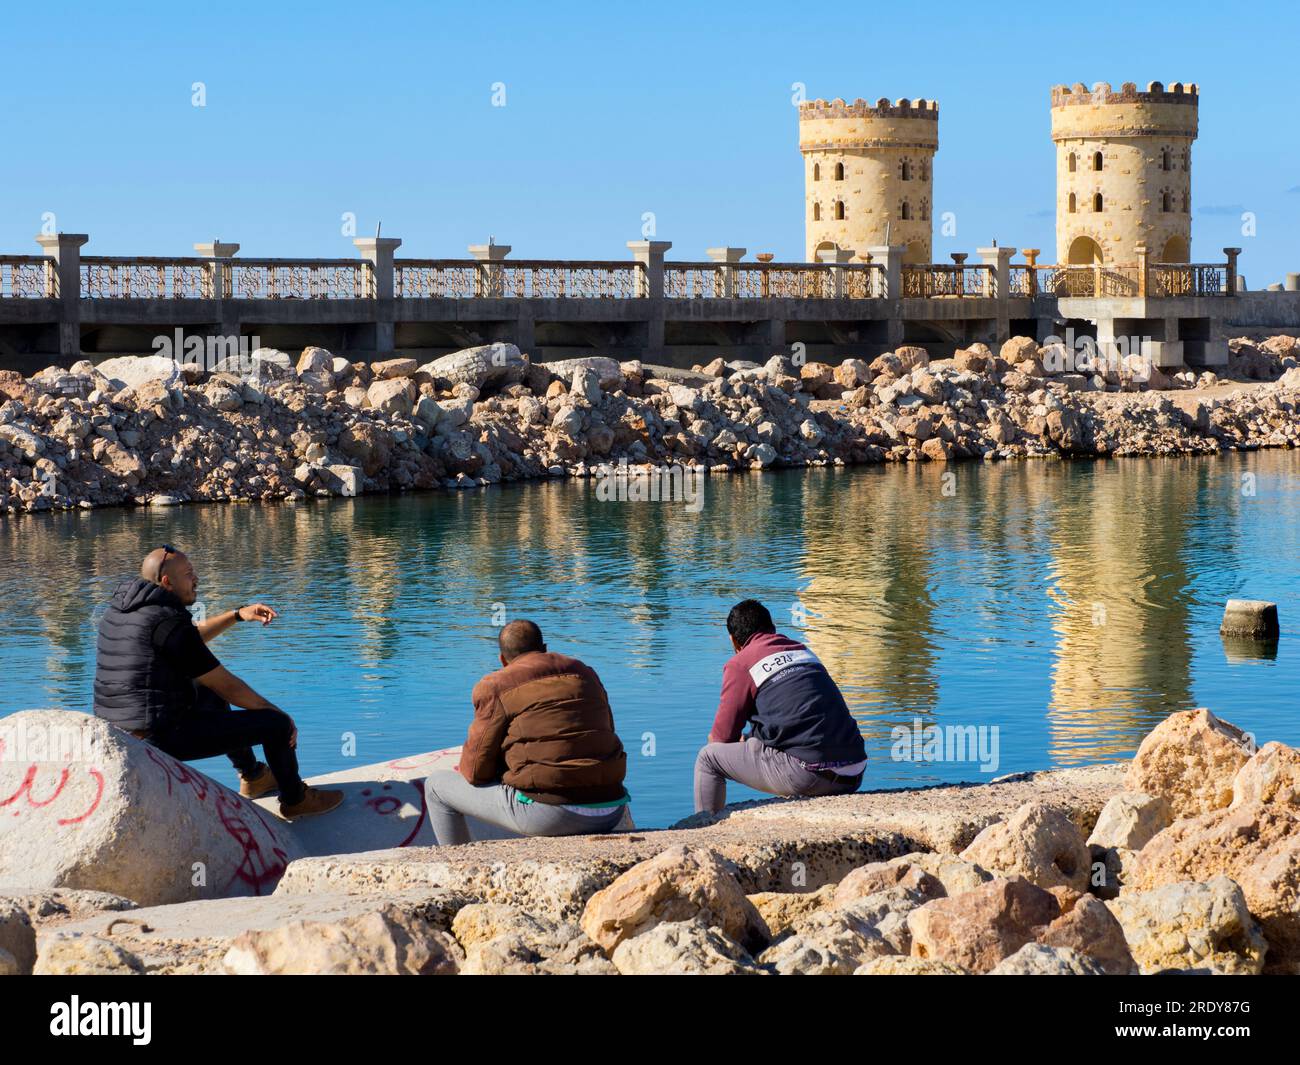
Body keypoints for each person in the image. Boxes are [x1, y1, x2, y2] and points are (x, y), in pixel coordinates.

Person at [93, 545, 343, 820]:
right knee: (275, 725)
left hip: (122, 733)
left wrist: (236, 615)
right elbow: (228, 686)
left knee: (206, 692)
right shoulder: (167, 621)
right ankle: (296, 800)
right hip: (159, 740)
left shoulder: (124, 612)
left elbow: (187, 641)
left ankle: (254, 776)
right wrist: (279, 714)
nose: (196, 579)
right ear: (167, 582)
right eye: (189, 574)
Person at [423, 619, 628, 845]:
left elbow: (474, 772)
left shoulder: (495, 685)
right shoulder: (586, 674)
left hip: (551, 816)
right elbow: (605, 732)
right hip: (612, 808)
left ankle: (457, 863)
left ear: (503, 660)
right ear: (544, 649)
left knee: (436, 786)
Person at [694, 599, 867, 814]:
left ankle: (705, 825)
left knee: (708, 758)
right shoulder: (803, 652)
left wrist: (727, 740)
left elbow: (721, 739)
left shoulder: (740, 664)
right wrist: (749, 738)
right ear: (773, 629)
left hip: (811, 776)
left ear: (733, 641)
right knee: (752, 741)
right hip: (855, 772)